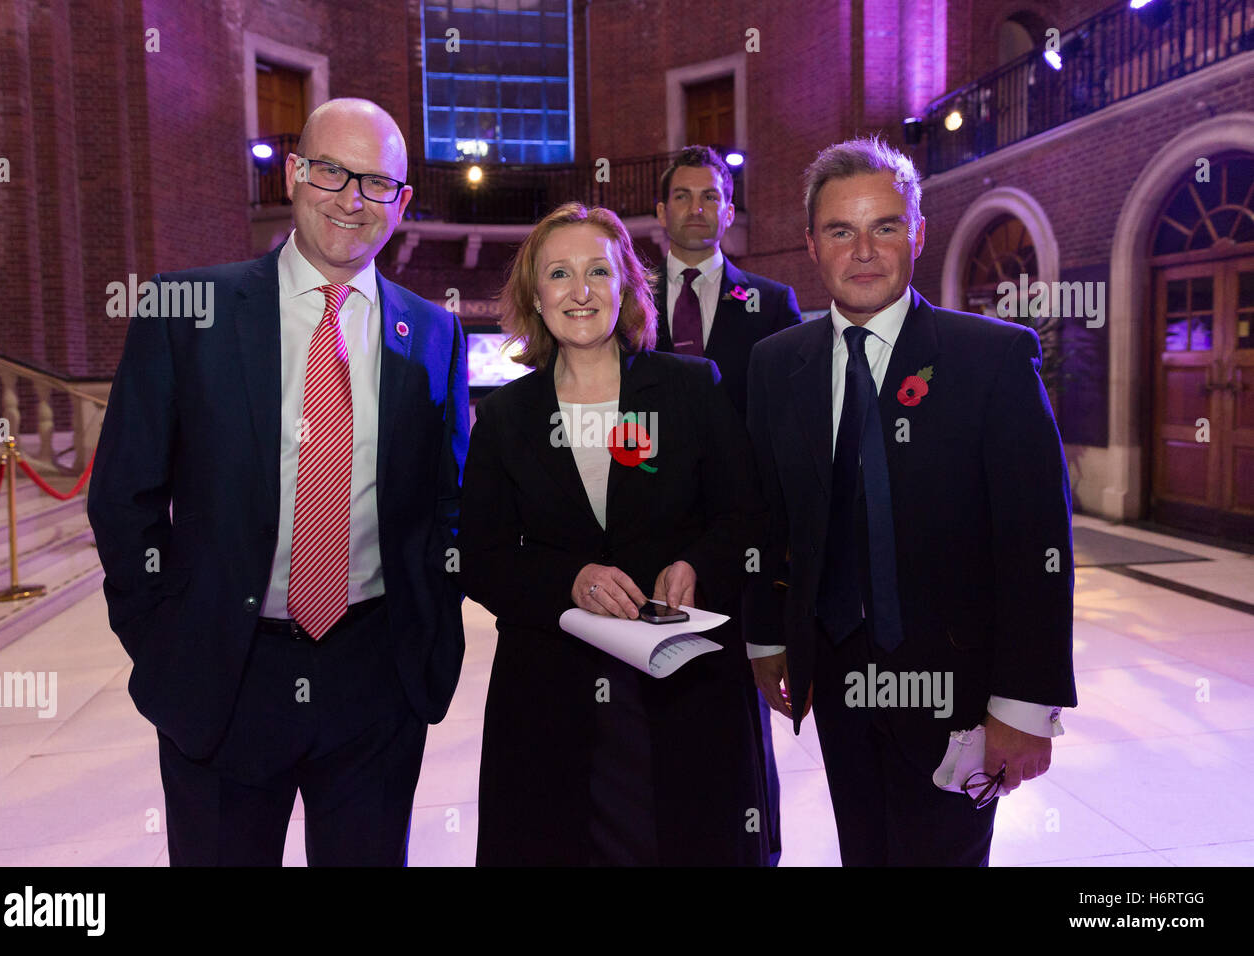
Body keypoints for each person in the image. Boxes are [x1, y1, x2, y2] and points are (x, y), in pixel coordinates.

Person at [87, 98, 468, 866]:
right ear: (295, 174)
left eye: (377, 184)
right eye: (332, 171)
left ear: (401, 203)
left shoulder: (433, 332)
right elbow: (125, 496)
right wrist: (161, 640)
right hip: (226, 675)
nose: (352, 200)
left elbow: (447, 504)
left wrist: (426, 639)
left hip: (374, 676)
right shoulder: (185, 308)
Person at [745, 136, 1076, 866]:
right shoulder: (776, 364)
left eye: (885, 226)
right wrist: (769, 637)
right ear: (810, 244)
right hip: (833, 673)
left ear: (917, 234)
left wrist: (1023, 707)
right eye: (840, 230)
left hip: (958, 685)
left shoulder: (991, 358)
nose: (863, 250)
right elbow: (769, 516)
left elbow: (1037, 546)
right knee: (864, 849)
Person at [459, 202, 768, 866]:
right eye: (560, 274)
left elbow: (745, 516)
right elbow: (479, 558)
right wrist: (567, 582)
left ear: (626, 285)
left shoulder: (690, 388)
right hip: (548, 698)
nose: (580, 291)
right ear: (535, 298)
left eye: (599, 270)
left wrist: (696, 563)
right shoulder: (507, 416)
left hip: (682, 688)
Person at [652, 145, 801, 865]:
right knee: (654, 705)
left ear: (729, 211)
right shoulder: (624, 295)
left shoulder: (770, 304)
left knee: (736, 714)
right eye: (682, 196)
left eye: (710, 197)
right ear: (659, 212)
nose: (696, 209)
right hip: (648, 543)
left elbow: (789, 429)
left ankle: (748, 849)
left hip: (739, 543)